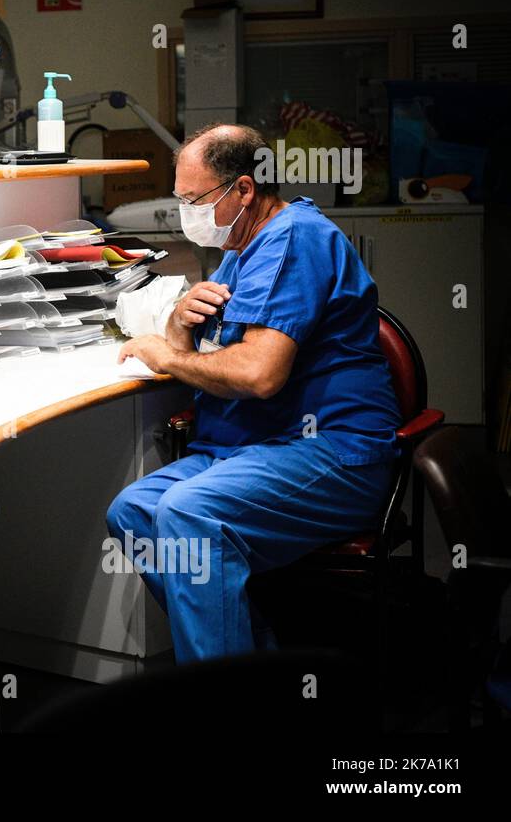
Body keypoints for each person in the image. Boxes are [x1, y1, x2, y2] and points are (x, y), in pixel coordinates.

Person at [105, 123, 400, 662]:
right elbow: (218, 345)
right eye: (181, 200)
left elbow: (259, 374)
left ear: (244, 189)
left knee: (189, 513)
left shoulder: (294, 239)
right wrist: (177, 326)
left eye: (196, 200)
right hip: (254, 445)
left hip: (332, 452)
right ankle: (251, 663)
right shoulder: (242, 249)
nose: (187, 214)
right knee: (135, 510)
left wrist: (170, 356)